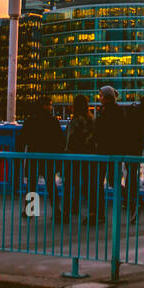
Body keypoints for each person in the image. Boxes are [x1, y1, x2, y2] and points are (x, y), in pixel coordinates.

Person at [15, 97, 63, 217]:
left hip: (33, 156)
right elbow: (59, 141)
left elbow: (22, 140)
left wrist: (20, 154)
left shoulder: (30, 121)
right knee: (51, 185)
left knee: (31, 184)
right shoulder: (53, 121)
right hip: (48, 157)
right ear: (45, 106)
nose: (51, 107)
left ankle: (30, 210)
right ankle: (56, 210)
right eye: (50, 105)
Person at [91, 85, 128, 223]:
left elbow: (101, 130)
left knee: (98, 181)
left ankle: (99, 213)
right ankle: (131, 200)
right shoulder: (118, 111)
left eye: (100, 95)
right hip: (114, 151)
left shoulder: (107, 112)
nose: (99, 98)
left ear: (107, 98)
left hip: (105, 150)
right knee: (113, 180)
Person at [62, 94, 97, 223]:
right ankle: (93, 213)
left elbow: (72, 139)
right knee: (88, 185)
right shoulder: (90, 119)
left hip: (75, 156)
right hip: (89, 156)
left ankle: (66, 212)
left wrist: (67, 150)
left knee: (69, 184)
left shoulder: (77, 120)